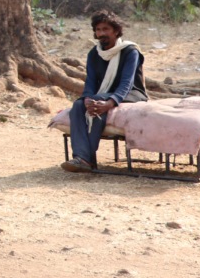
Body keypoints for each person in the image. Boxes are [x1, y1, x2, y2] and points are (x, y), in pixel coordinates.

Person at [62, 10, 147, 173]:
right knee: (79, 105)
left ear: (116, 31)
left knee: (98, 102)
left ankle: (86, 158)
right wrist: (86, 98)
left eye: (106, 29)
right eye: (98, 29)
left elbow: (127, 83)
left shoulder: (130, 51)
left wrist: (109, 103)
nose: (101, 33)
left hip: (132, 94)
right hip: (104, 92)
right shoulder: (94, 54)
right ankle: (82, 157)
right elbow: (91, 82)